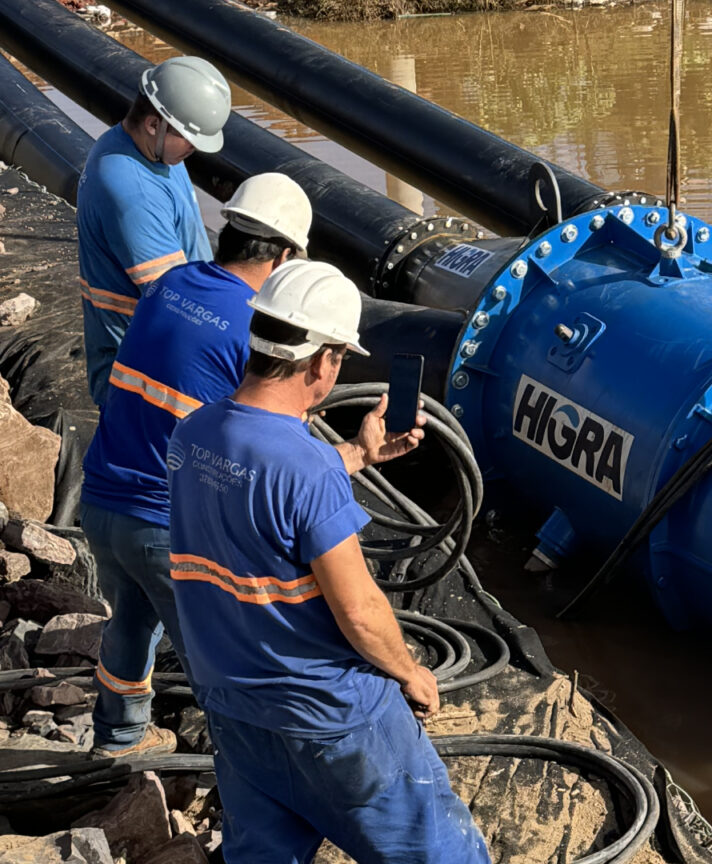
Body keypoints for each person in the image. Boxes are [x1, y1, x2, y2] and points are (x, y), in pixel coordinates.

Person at [166, 260, 491, 863]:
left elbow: (262, 486)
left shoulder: (193, 435)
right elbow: (360, 611)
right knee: (440, 853)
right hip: (331, 720)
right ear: (323, 362)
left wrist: (357, 455)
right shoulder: (307, 471)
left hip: (235, 706)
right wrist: (409, 672)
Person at [79, 173, 312, 758]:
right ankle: (249, 773)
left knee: (131, 619)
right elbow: (270, 443)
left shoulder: (170, 283)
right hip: (166, 523)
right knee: (217, 653)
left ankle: (117, 740)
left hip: (101, 499)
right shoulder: (255, 326)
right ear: (284, 257)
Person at [77, 55, 231, 407]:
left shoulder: (152, 153)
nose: (194, 149)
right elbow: (178, 303)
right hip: (142, 378)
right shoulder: (131, 190)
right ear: (153, 124)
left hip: (166, 354)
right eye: (189, 138)